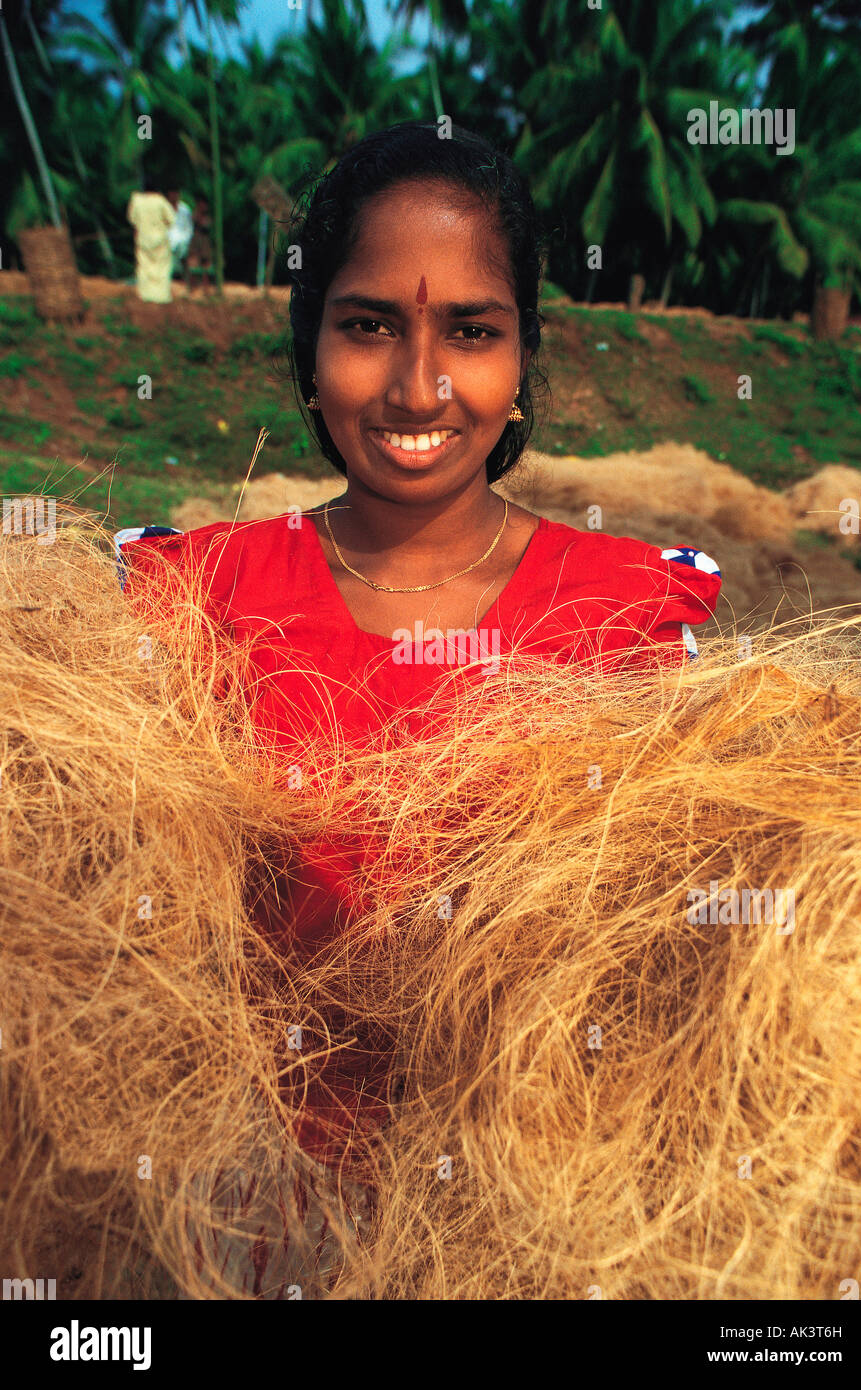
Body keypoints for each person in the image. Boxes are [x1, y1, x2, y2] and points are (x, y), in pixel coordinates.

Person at [115, 121, 722, 1180]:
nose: (418, 385)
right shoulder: (203, 595)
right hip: (249, 1202)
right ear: (310, 345)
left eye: (473, 332)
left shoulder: (625, 615)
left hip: (521, 1199)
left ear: (524, 351)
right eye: (369, 324)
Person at [126, 181, 177, 303]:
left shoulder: (137, 200)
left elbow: (132, 219)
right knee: (161, 267)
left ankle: (145, 294)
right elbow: (171, 219)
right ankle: (161, 296)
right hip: (160, 239)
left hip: (143, 239)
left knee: (144, 266)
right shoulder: (160, 201)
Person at [167, 189, 194, 281]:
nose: (174, 196)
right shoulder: (165, 208)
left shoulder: (185, 209)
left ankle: (185, 279)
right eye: (172, 193)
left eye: (176, 193)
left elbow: (189, 228)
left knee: (182, 250)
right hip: (167, 238)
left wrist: (186, 239)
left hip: (183, 239)